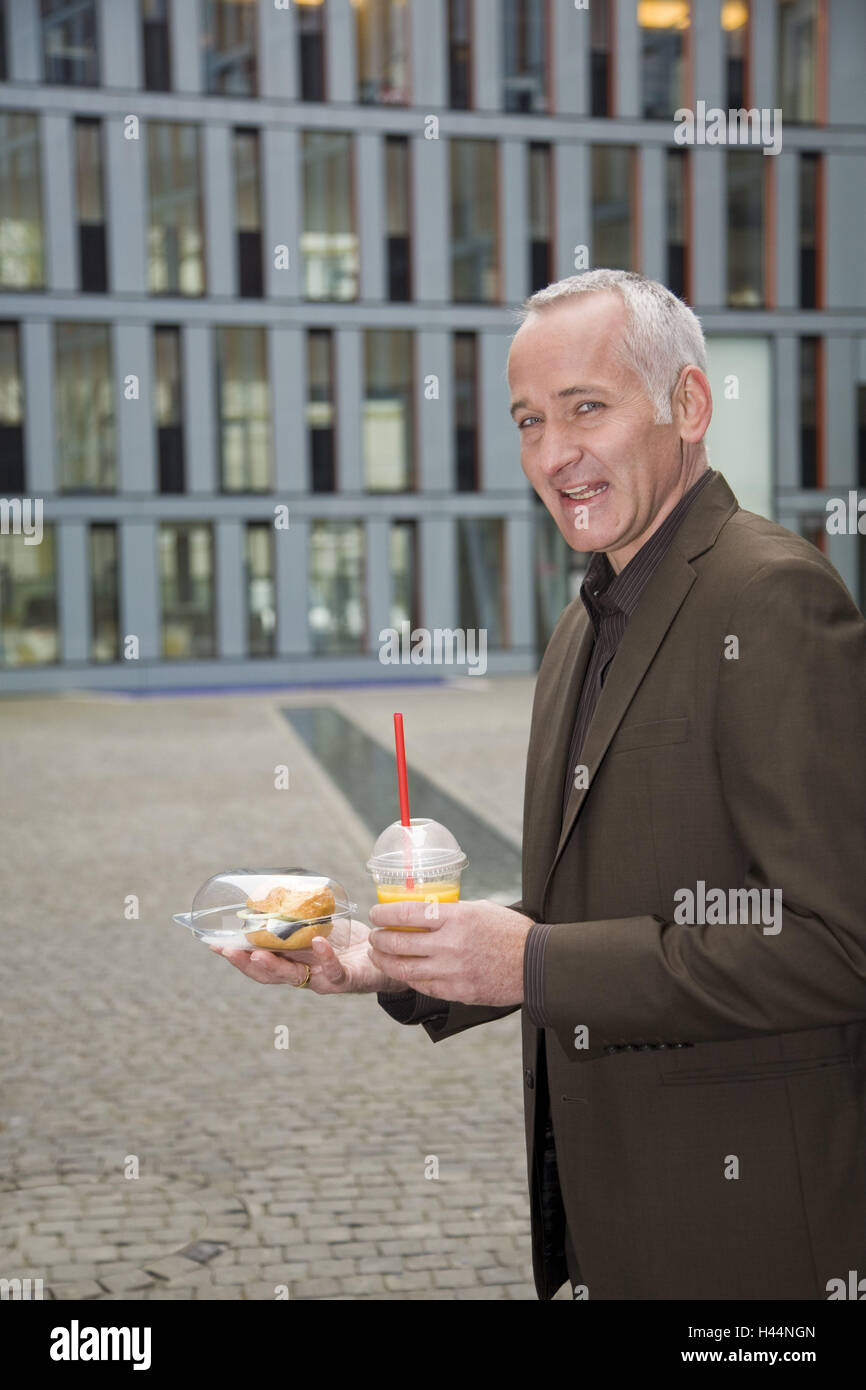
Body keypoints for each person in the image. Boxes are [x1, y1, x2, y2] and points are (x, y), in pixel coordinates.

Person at [214, 270, 866, 1301]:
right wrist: (398, 962)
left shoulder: (771, 597)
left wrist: (536, 963)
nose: (551, 455)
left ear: (686, 407)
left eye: (585, 409)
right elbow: (591, 914)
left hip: (747, 1245)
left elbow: (837, 944)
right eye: (526, 421)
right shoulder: (579, 626)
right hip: (608, 1234)